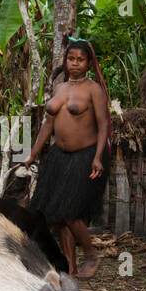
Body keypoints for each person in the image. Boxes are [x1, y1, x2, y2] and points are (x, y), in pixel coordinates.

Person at [24, 38, 111, 278]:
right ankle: (69, 268)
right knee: (59, 216)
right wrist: (32, 153)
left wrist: (98, 157)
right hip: (59, 157)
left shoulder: (93, 89)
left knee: (70, 212)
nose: (75, 63)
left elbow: (103, 126)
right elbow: (48, 124)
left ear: (88, 63)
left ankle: (91, 254)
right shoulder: (60, 88)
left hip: (85, 156)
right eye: (71, 59)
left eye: (80, 60)